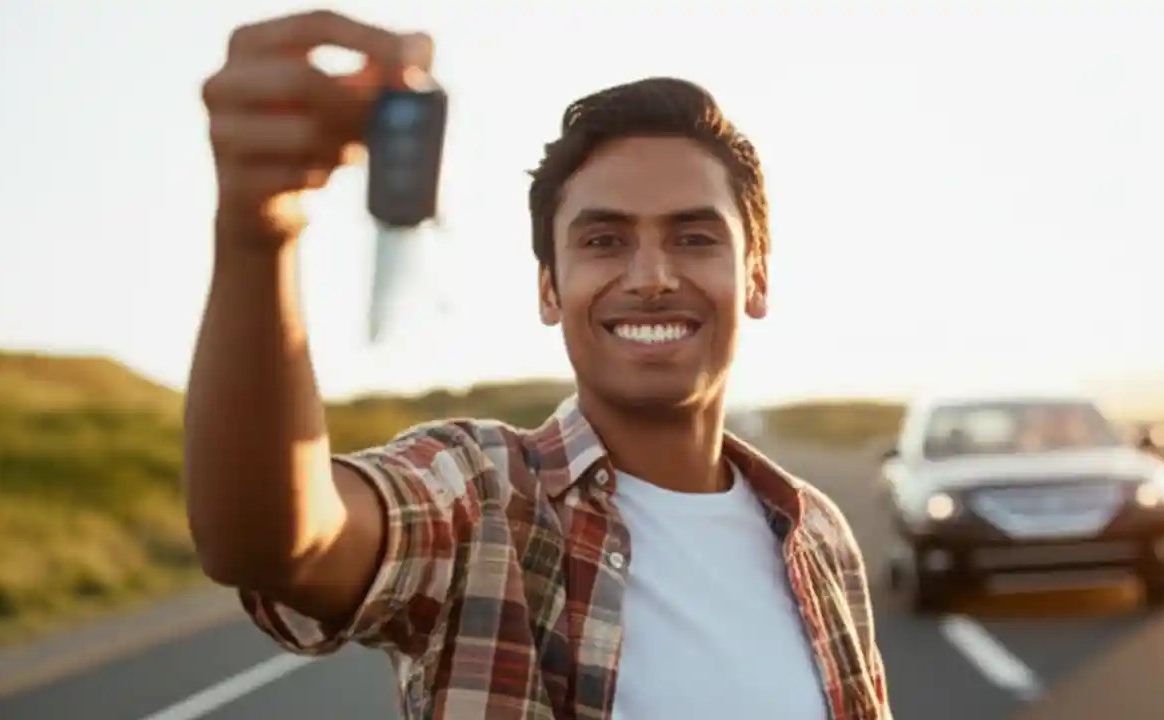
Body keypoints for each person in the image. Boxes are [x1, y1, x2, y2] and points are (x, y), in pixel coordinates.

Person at [185, 9, 890, 720]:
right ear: (549, 290)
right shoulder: (480, 495)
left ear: (757, 279)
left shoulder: (819, 537)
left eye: (695, 236)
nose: (651, 276)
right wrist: (258, 227)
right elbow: (279, 541)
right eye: (605, 241)